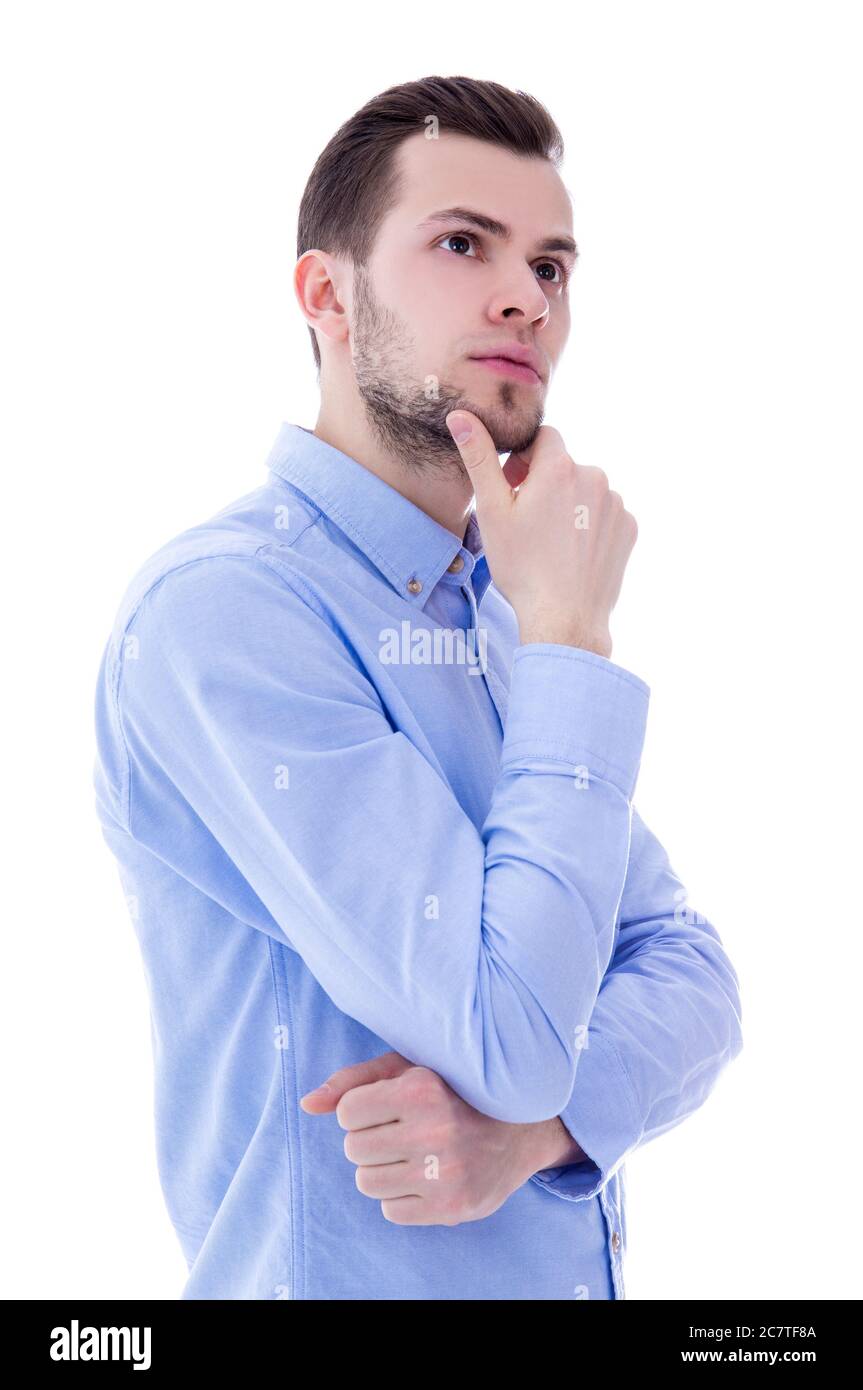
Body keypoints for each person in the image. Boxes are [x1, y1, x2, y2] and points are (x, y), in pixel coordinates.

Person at [92, 74, 743, 1300]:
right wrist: (569, 643)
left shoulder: (495, 616)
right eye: (462, 244)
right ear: (325, 295)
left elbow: (688, 968)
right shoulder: (228, 614)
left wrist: (541, 1136)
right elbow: (508, 1035)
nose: (524, 298)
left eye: (551, 266)